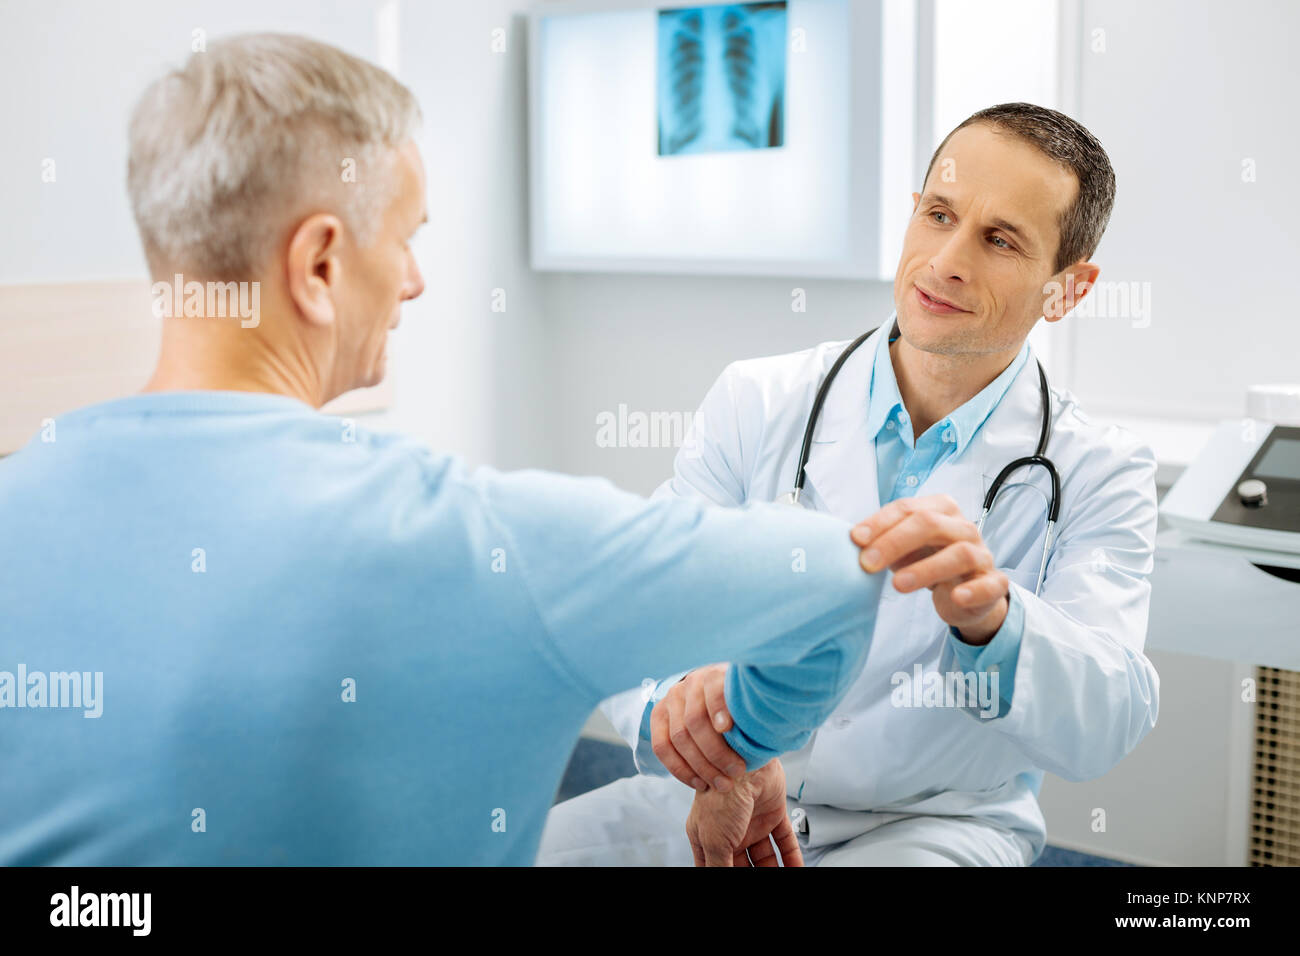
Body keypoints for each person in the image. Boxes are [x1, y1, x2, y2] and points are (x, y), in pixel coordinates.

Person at [0, 33, 886, 866]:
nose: (416, 281)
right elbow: (841, 588)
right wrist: (745, 742)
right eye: (408, 237)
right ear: (319, 265)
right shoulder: (487, 538)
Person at [539, 103, 1161, 867]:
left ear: (1068, 289)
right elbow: (643, 610)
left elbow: (1108, 719)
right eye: (939, 214)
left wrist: (995, 620)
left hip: (934, 827)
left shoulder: (1102, 468)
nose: (948, 260)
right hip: (717, 789)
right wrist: (713, 750)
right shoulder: (757, 398)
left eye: (1000, 240)